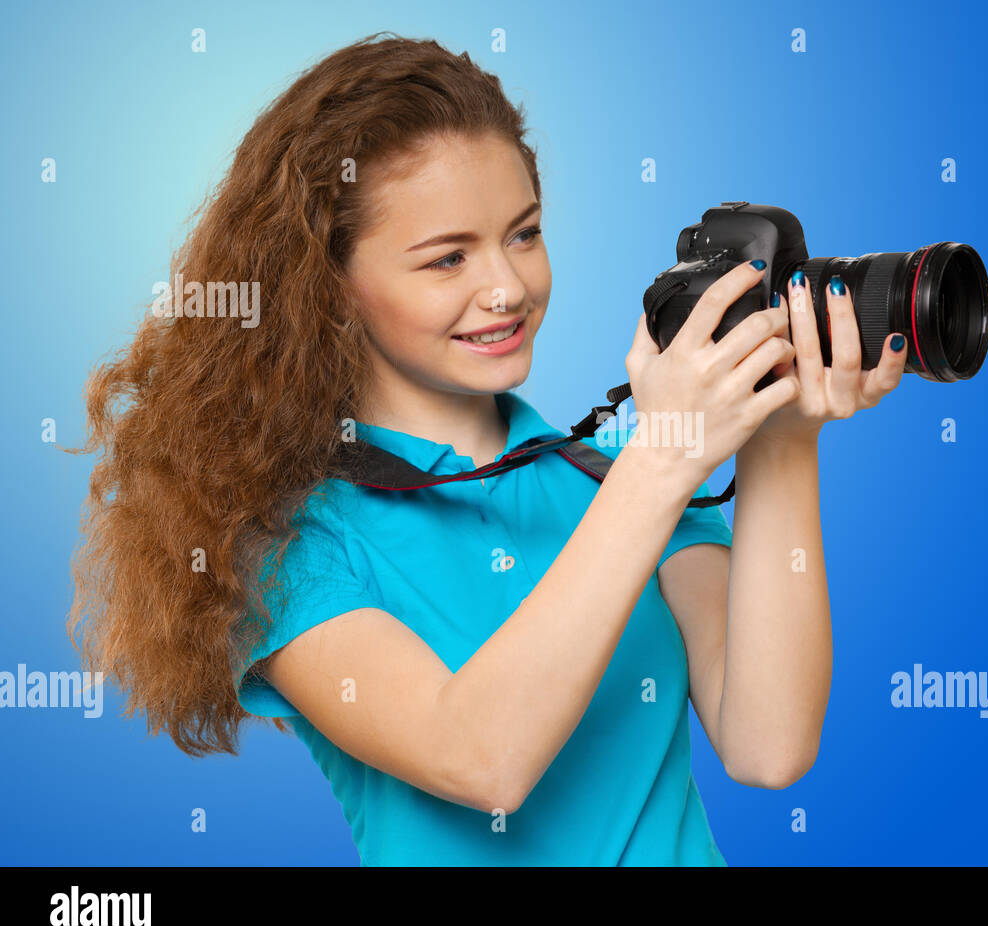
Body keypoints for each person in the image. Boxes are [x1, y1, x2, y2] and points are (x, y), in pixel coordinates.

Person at [68, 33, 907, 866]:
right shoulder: (291, 544)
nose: (506, 286)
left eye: (524, 233)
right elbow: (480, 757)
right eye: (447, 259)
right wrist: (667, 458)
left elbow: (769, 746)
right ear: (328, 287)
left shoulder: (610, 470)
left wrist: (781, 437)